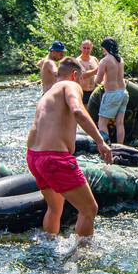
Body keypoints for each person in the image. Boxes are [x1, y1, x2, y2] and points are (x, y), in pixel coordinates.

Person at [27, 57, 113, 240]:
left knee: (55, 207)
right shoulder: (71, 86)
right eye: (81, 79)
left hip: (35, 157)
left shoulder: (47, 94)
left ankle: (49, 246)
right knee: (89, 209)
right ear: (75, 75)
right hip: (54, 158)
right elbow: (78, 111)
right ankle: (83, 256)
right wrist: (100, 141)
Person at [94, 37, 128, 144]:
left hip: (112, 94)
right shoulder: (120, 60)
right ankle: (120, 147)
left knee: (102, 123)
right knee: (120, 123)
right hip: (124, 93)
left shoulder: (105, 60)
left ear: (105, 48)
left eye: (103, 48)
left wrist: (94, 77)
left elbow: (98, 81)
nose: (102, 51)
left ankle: (106, 147)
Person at [76, 39, 100, 106]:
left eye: (88, 48)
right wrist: (96, 70)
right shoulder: (77, 61)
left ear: (91, 49)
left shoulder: (94, 59)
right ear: (80, 47)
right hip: (83, 92)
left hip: (94, 91)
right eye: (84, 48)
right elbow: (82, 75)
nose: (86, 50)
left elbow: (100, 74)